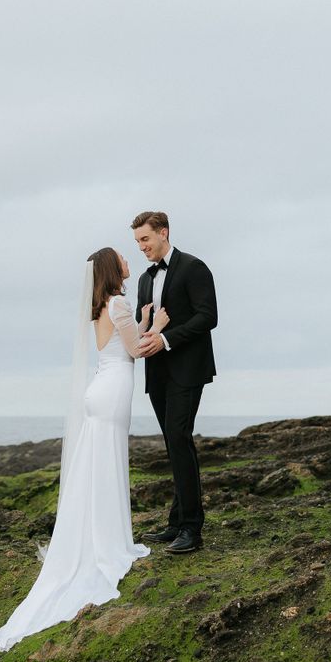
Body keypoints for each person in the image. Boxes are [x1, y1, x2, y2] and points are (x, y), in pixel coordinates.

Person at [0, 247, 165, 652]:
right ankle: (108, 543)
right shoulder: (119, 301)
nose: (128, 261)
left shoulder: (102, 306)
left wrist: (141, 322)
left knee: (97, 466)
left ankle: (101, 537)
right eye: (122, 258)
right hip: (113, 389)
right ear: (112, 269)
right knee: (107, 465)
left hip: (100, 388)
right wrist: (156, 325)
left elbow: (120, 342)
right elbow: (135, 351)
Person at [132, 211, 217, 553]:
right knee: (172, 442)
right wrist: (149, 333)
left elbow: (208, 316)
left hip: (188, 369)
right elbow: (143, 323)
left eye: (145, 239)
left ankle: (192, 529)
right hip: (157, 373)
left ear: (163, 233)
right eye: (137, 242)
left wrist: (166, 339)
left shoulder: (194, 267)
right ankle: (176, 522)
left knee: (179, 438)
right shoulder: (144, 279)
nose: (141, 247)